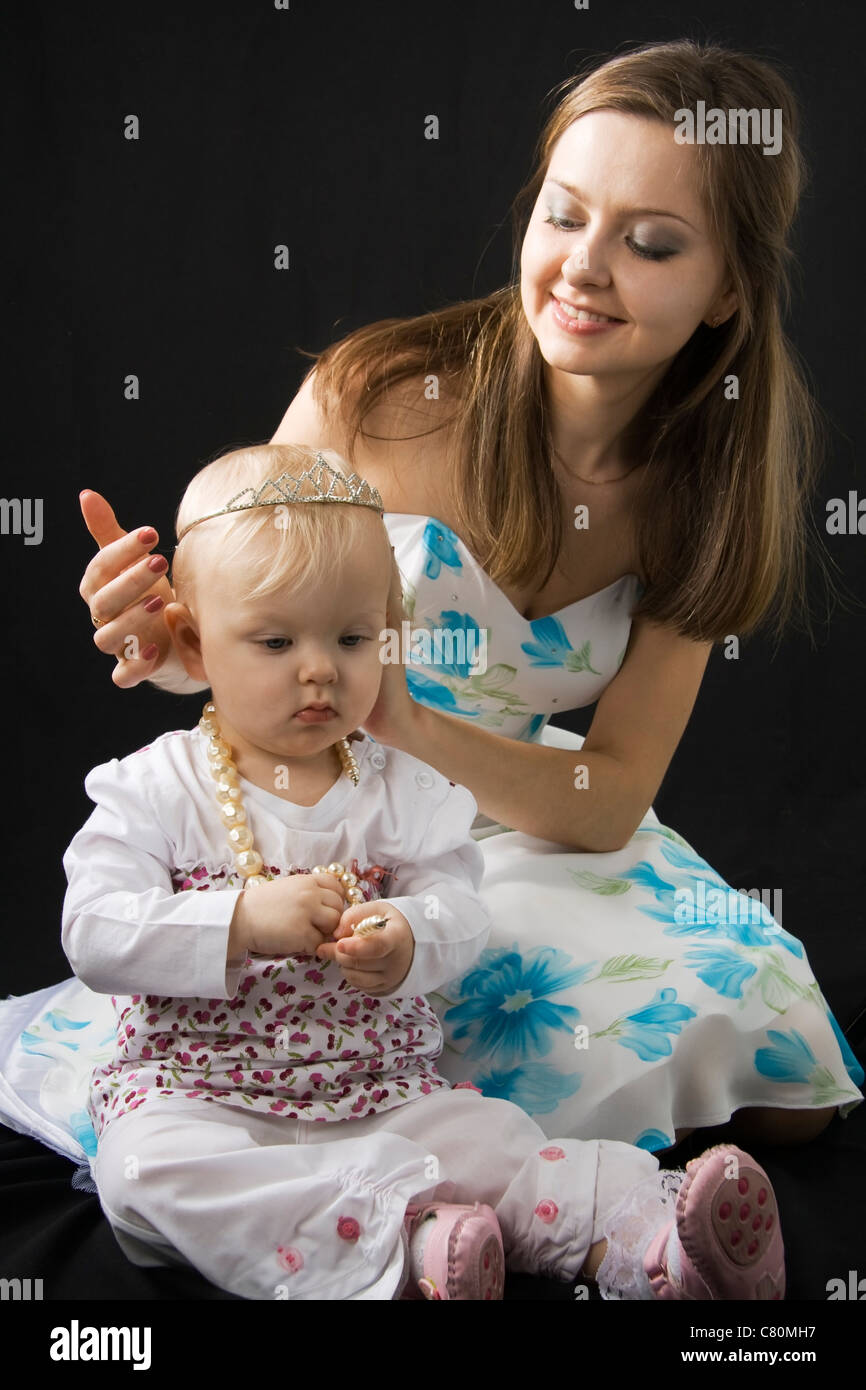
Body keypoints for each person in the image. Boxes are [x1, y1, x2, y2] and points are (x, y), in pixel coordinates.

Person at [78, 39, 863, 1153]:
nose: (583, 267)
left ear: (728, 287)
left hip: (532, 819)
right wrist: (164, 640)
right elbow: (243, 641)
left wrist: (416, 721)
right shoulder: (375, 397)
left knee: (793, 1087)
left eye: (647, 243)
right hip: (335, 815)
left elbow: (605, 797)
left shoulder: (704, 495)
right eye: (562, 215)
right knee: (428, 1019)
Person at [62, 443, 788, 1301]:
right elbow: (95, 933)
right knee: (146, 1171)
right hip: (206, 1097)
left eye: (353, 637)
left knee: (499, 1144)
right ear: (192, 641)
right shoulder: (154, 787)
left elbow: (461, 907)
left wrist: (412, 938)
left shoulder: (402, 789)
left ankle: (653, 1244)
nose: (320, 668)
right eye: (274, 640)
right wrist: (239, 922)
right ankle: (405, 1251)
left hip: (382, 1092)